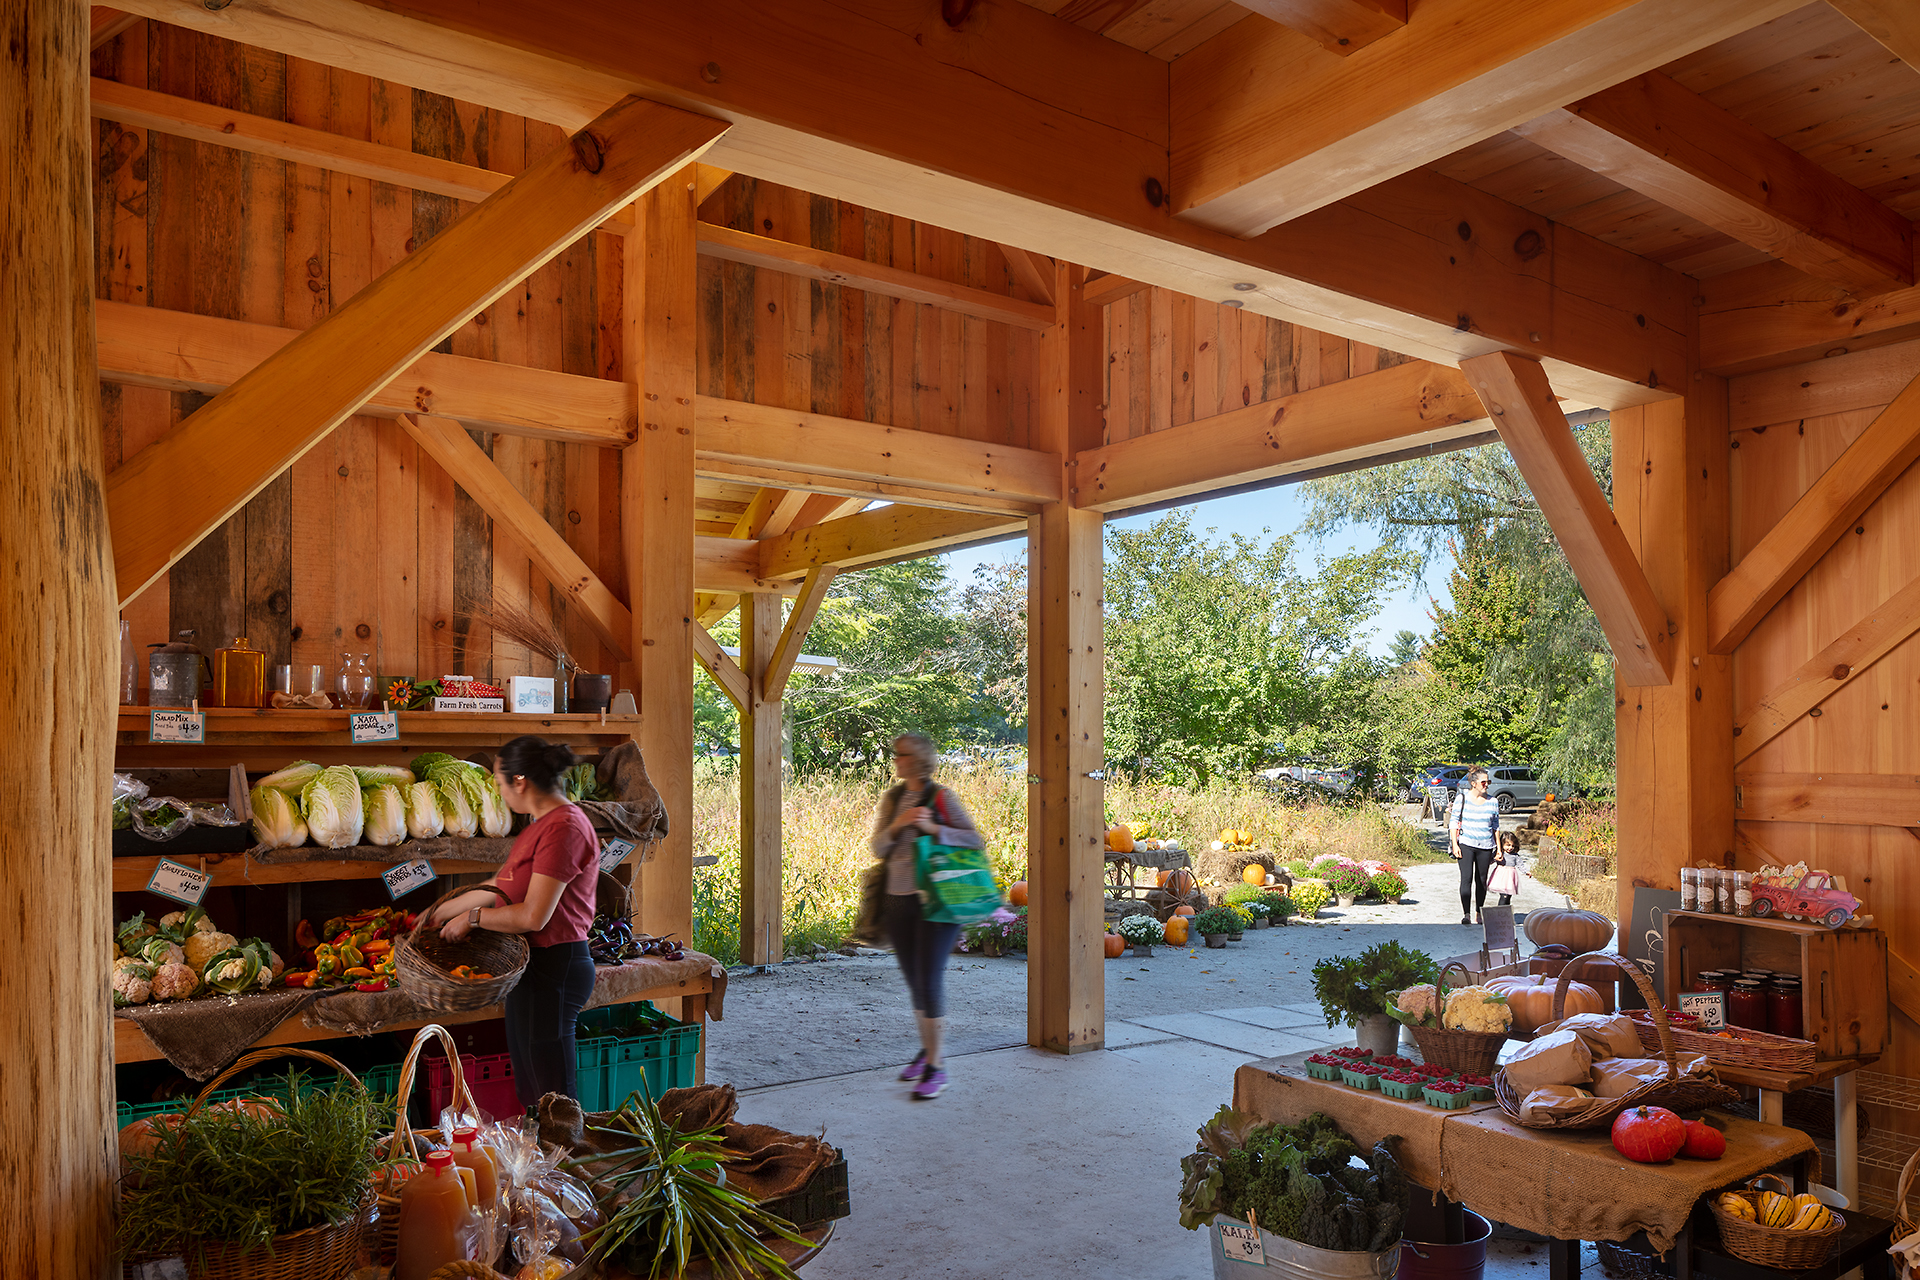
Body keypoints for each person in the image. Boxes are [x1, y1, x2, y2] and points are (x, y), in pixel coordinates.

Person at [430, 735, 601, 1106]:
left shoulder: (565, 827)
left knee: (553, 1095)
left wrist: (472, 918)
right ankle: (545, 1162)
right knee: (532, 1089)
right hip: (534, 970)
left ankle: (567, 1164)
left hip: (556, 967)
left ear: (519, 781)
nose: (499, 790)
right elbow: (500, 885)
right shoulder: (540, 826)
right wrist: (443, 911)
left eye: (498, 781)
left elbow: (533, 916)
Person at [869, 731, 984, 1100]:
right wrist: (901, 823)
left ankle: (937, 1068)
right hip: (897, 901)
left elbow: (974, 841)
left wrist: (934, 828)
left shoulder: (942, 797)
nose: (895, 760)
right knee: (915, 980)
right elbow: (878, 847)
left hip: (939, 902)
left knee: (930, 979)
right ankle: (927, 1051)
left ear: (917, 760)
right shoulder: (894, 798)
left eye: (900, 755)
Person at [1448, 766, 1501, 927]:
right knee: (1466, 879)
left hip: (1485, 845)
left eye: (1488, 782)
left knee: (1481, 880)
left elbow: (1496, 826)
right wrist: (1455, 844)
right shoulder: (1462, 798)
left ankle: (1479, 912)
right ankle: (1466, 914)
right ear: (1473, 783)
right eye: (1483, 782)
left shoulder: (1493, 801)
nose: (1486, 785)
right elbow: (1453, 822)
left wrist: (1498, 849)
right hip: (1466, 844)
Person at [1492, 830, 1522, 906]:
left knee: (1508, 897)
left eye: (1513, 846)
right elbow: (1490, 860)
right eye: (1508, 845)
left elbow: (1520, 864)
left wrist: (1526, 871)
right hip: (1501, 877)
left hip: (1511, 879)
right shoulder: (1500, 853)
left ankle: (1505, 913)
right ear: (1502, 844)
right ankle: (1500, 912)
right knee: (1504, 896)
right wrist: (1495, 858)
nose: (1510, 848)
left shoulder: (1515, 855)